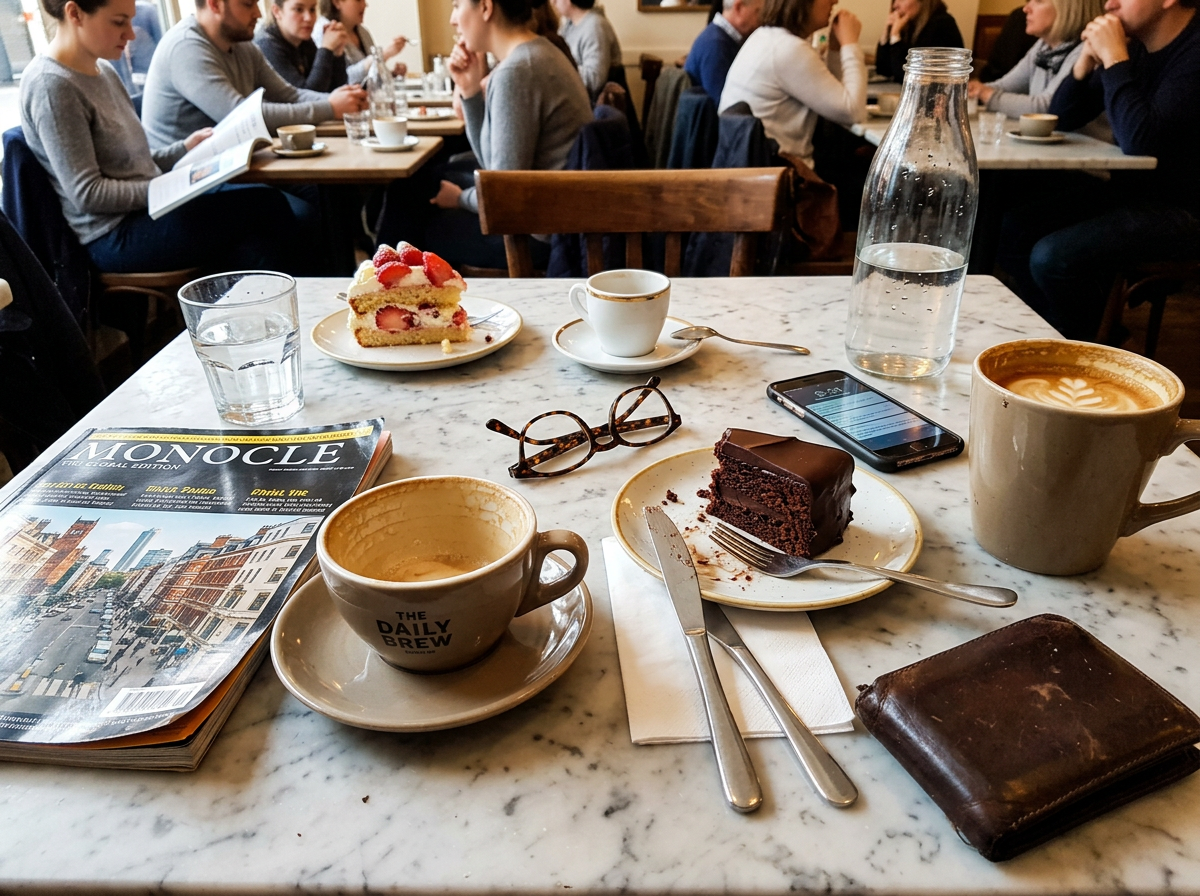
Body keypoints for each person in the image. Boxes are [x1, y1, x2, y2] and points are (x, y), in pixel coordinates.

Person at [20, 0, 307, 276]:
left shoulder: (103, 70)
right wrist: (163, 188)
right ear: (75, 13)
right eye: (119, 22)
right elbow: (88, 194)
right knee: (266, 206)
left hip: (148, 212)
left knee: (258, 246)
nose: (131, 34)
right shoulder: (52, 85)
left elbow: (133, 163)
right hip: (114, 235)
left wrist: (184, 149)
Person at [1000, 0, 1200, 339]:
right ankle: (1062, 334)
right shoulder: (1135, 49)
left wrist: (1114, 59)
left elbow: (1140, 141)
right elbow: (1061, 119)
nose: (1109, 3)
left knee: (1052, 258)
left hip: (1185, 207)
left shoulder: (1192, 53)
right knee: (1015, 228)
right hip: (1133, 193)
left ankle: (1092, 344)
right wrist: (1084, 64)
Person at [378, 0, 592, 270]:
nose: (452, 20)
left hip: (537, 235)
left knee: (416, 225)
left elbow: (500, 194)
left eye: (457, 6)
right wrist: (469, 91)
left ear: (486, 7)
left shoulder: (517, 70)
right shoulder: (533, 53)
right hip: (544, 217)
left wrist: (459, 198)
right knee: (411, 187)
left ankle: (384, 293)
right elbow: (492, 164)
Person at [141, 0, 366, 147]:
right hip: (188, 180)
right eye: (248, 4)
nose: (258, 13)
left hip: (232, 162)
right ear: (215, 5)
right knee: (300, 201)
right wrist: (330, 107)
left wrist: (345, 101)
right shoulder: (186, 48)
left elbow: (291, 95)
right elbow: (242, 118)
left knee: (330, 191)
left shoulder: (242, 44)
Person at [719, 0, 866, 169]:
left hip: (759, 171)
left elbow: (834, 101)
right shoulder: (788, 49)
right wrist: (851, 44)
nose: (835, 1)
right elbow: (853, 112)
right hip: (786, 178)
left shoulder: (767, 38)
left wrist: (835, 49)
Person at [968, 0, 1102, 115]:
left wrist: (984, 94)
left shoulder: (1085, 49)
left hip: (1091, 143)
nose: (1026, 9)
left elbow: (1046, 107)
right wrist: (971, 91)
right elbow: (1006, 86)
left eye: (1038, 0)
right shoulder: (1043, 45)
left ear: (1069, 9)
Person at [255, 0, 348, 91]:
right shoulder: (267, 46)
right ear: (277, 11)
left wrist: (336, 54)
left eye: (312, 9)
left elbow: (336, 92)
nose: (308, 18)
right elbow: (308, 96)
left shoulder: (303, 41)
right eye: (298, 9)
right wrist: (326, 49)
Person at [685, 0, 764, 103]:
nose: (762, 20)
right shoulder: (716, 45)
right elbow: (723, 107)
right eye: (757, 12)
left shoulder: (716, 37)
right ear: (738, 8)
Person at [313, 0, 407, 84]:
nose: (365, 4)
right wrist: (383, 55)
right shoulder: (325, 31)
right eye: (358, 0)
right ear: (337, 2)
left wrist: (392, 74)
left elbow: (372, 77)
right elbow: (341, 81)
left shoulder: (362, 32)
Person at [874, 0, 963, 81]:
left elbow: (908, 76)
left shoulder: (942, 24)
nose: (895, 6)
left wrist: (895, 37)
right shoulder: (910, 24)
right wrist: (886, 33)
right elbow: (883, 70)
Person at [552, 0, 623, 99]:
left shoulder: (595, 26)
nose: (553, 2)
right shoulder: (569, 25)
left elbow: (594, 80)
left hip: (599, 108)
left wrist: (559, 68)